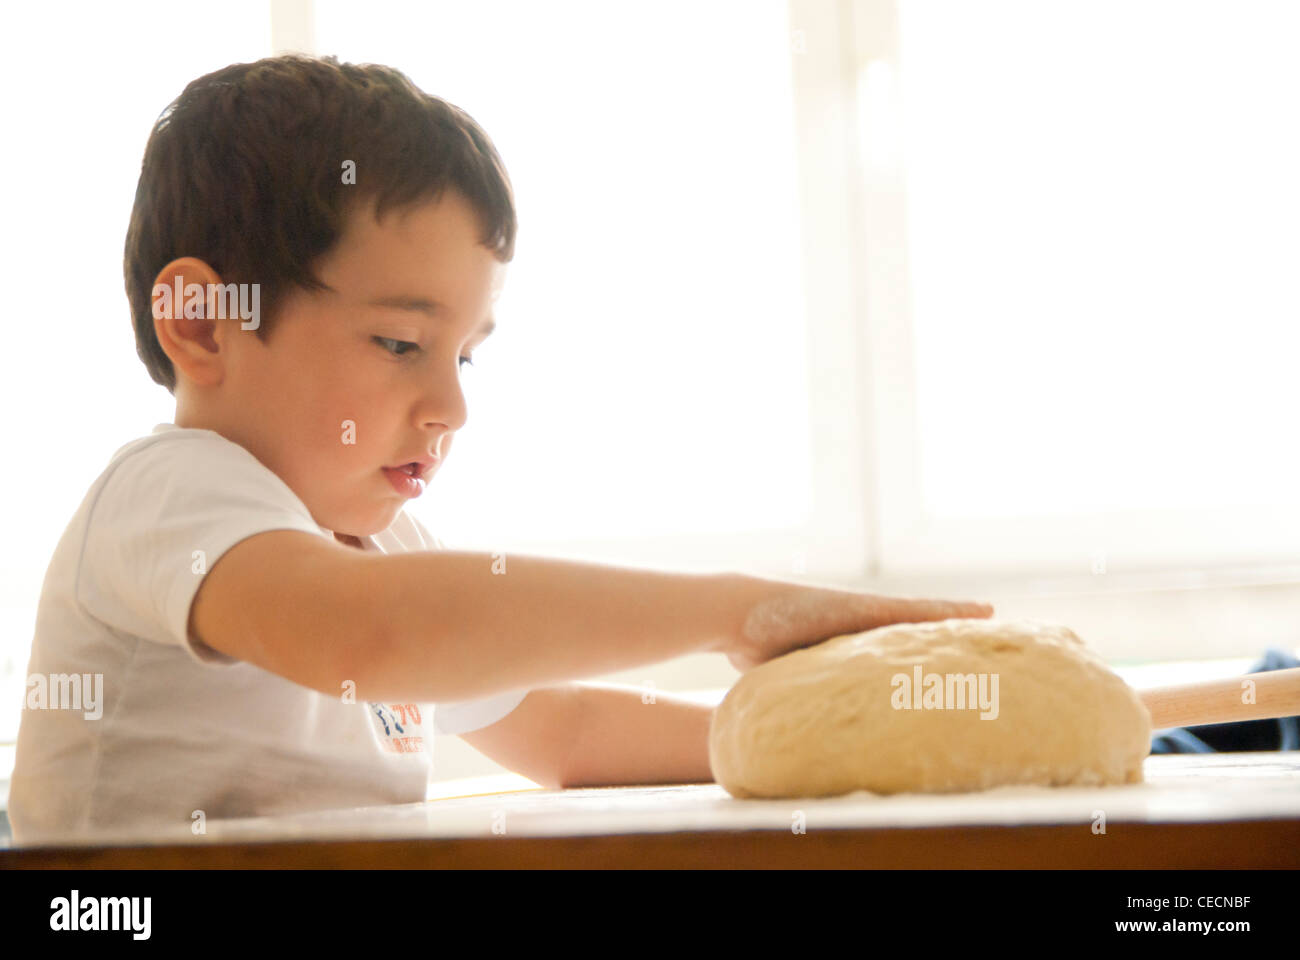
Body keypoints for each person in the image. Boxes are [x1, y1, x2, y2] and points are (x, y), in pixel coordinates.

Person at [8, 54, 991, 845]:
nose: (449, 406)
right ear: (204, 323)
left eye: (465, 357)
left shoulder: (390, 558)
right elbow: (374, 638)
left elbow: (570, 732)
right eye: (400, 343)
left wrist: (867, 738)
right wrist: (733, 607)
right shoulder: (168, 498)